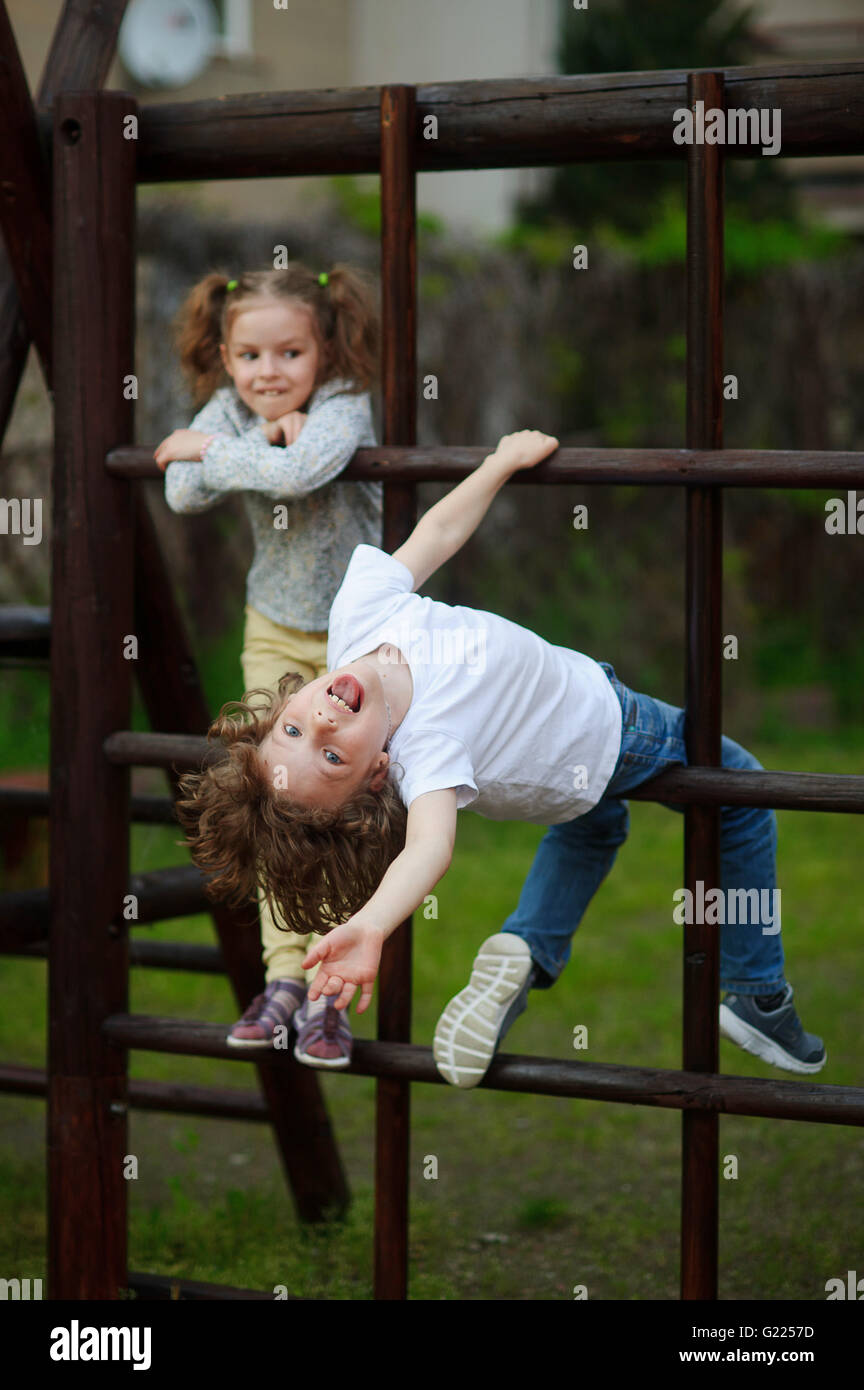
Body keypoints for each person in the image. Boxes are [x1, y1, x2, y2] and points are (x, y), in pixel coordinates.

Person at [173, 428, 826, 1083]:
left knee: (594, 826)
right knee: (739, 787)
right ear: (377, 775)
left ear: (281, 708)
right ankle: (757, 992)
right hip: (611, 724)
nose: (319, 721)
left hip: (558, 781)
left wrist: (499, 463)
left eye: (292, 730)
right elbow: (429, 849)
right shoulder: (422, 748)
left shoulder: (357, 618)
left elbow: (438, 533)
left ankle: (526, 944)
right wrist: (370, 927)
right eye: (332, 758)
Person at [155, 262, 383, 1068]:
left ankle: (331, 994)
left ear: (324, 350)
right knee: (274, 801)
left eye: (290, 353)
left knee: (343, 806)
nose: (269, 373)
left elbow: (297, 470)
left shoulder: (347, 405)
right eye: (250, 357)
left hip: (355, 643)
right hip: (274, 633)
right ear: (224, 354)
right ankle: (284, 981)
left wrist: (217, 446)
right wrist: (246, 439)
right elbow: (182, 493)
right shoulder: (235, 407)